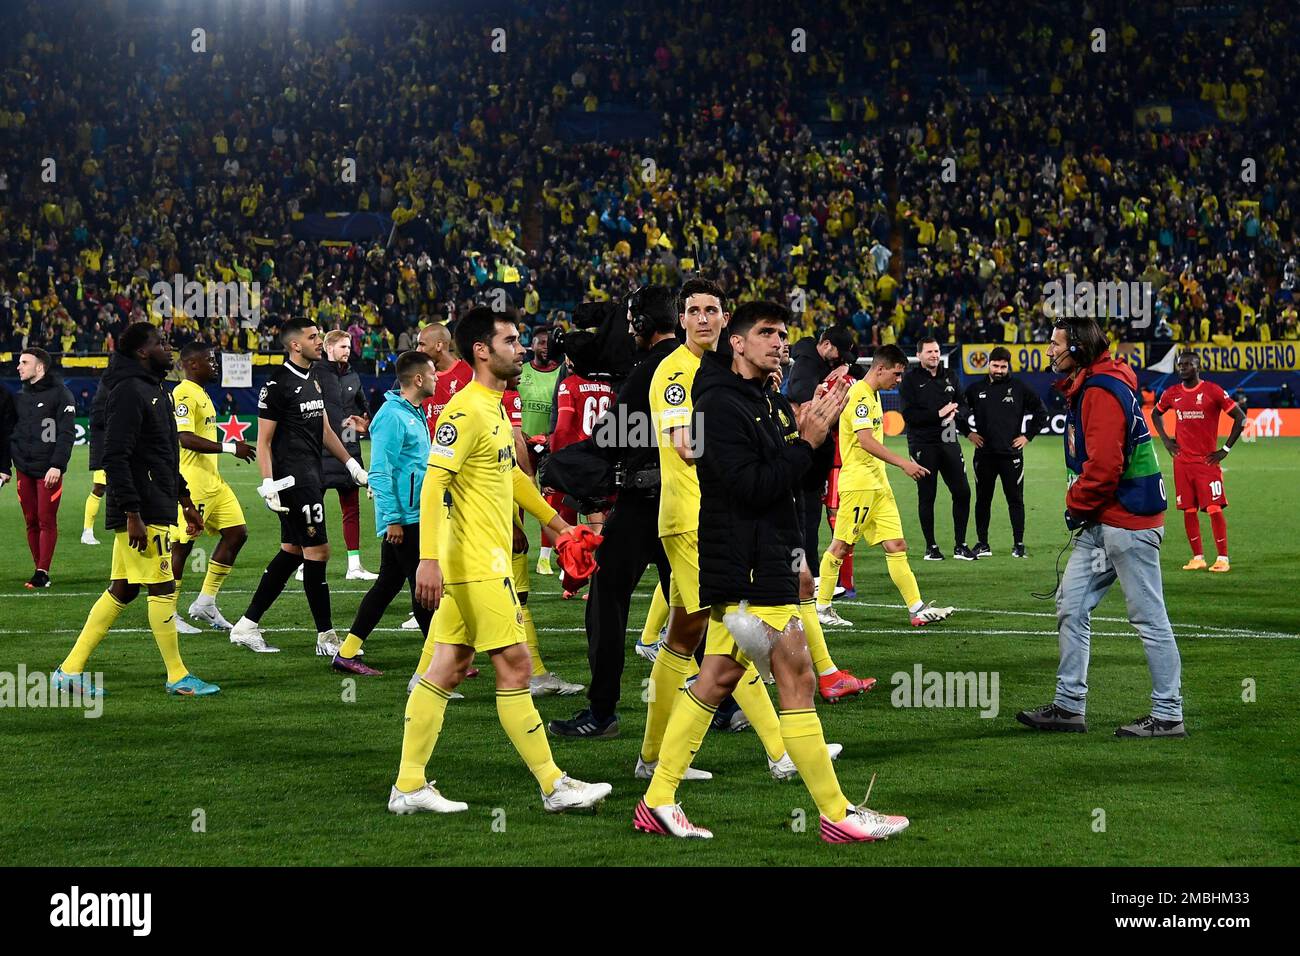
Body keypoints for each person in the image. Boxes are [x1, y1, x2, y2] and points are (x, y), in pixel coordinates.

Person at [634, 301, 907, 842]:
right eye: (766, 333)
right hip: (746, 565)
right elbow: (751, 487)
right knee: (798, 680)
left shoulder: (765, 399)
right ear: (737, 343)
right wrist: (804, 441)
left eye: (783, 333)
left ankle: (658, 799)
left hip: (764, 558)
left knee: (716, 677)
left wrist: (813, 437)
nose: (778, 341)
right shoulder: (715, 404)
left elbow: (790, 483)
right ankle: (837, 814)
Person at [389, 306, 611, 815]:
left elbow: (511, 477)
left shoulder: (492, 405)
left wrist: (560, 528)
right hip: (476, 564)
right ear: (482, 351)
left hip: (478, 562)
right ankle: (554, 786)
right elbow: (434, 482)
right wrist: (428, 560)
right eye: (511, 341)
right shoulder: (465, 410)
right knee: (515, 667)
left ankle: (408, 785)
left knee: (445, 669)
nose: (523, 348)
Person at [639, 277, 813, 783]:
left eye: (712, 309)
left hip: (714, 520)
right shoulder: (679, 372)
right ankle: (781, 751)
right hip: (696, 519)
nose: (704, 319)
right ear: (681, 320)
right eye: (693, 311)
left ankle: (653, 760)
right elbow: (687, 446)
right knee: (734, 637)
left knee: (689, 638)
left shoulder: (721, 373)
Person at [1016, 318, 1185, 738]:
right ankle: (1069, 706)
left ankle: (1169, 714)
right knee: (1071, 605)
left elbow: (1106, 466)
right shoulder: (1098, 382)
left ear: (1078, 347)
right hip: (1105, 519)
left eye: (1055, 344)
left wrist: (1075, 505)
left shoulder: (1099, 391)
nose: (1050, 351)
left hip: (1126, 519)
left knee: (1148, 617)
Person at [52, 322, 219, 697]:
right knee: (162, 585)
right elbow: (116, 455)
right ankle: (177, 675)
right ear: (143, 352)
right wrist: (131, 514)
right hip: (141, 509)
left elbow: (164, 455)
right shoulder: (129, 391)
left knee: (123, 590)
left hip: (154, 503)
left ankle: (69, 670)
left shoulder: (154, 388)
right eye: (160, 343)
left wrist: (185, 501)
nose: (168, 347)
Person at [550, 286, 678, 739]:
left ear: (644, 324)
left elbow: (611, 440)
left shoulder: (647, 371)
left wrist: (559, 467)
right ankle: (723, 705)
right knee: (694, 606)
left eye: (630, 320)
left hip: (645, 504)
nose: (627, 328)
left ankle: (601, 710)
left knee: (605, 596)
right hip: (688, 505)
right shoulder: (696, 365)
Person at [227, 318, 369, 655]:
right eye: (313, 336)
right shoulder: (277, 384)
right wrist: (268, 484)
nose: (319, 341)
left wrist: (351, 465)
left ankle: (246, 626)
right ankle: (326, 637)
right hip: (294, 481)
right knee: (318, 552)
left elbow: (324, 429)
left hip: (312, 473)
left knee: (292, 552)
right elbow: (263, 441)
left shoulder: (314, 379)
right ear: (294, 345)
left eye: (318, 335)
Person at [815, 345, 956, 628]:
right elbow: (865, 441)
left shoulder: (874, 395)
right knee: (840, 546)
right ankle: (822, 608)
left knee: (896, 545)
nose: (899, 379)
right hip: (860, 486)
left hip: (878, 485)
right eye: (897, 373)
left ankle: (916, 608)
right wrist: (904, 463)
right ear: (880, 368)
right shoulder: (859, 396)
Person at [330, 350, 439, 677]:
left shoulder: (412, 411)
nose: (437, 378)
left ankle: (346, 653)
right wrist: (391, 518)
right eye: (433, 373)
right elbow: (379, 471)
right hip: (405, 519)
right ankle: (439, 660)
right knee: (423, 591)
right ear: (418, 379)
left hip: (413, 513)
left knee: (387, 586)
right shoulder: (394, 415)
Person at [168, 343, 257, 631]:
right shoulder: (182, 393)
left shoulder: (201, 392)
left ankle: (205, 602)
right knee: (182, 544)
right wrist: (231, 448)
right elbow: (184, 437)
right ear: (192, 364)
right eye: (209, 360)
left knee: (237, 533)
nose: (214, 364)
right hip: (192, 482)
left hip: (213, 481)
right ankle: (168, 613)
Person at [1151, 350, 1246, 572]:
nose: (1182, 368)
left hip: (1206, 462)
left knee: (1214, 508)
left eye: (1187, 364)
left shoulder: (1212, 391)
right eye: (1179, 364)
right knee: (1189, 509)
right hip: (1182, 462)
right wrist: (1166, 441)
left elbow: (1240, 418)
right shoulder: (1172, 393)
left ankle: (1223, 558)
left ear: (1197, 366)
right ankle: (1198, 557)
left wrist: (1225, 449)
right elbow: (1156, 414)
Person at [786, 326, 858, 600]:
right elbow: (806, 405)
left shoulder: (826, 360)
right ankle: (809, 578)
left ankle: (812, 576)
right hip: (806, 452)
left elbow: (857, 367)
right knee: (807, 520)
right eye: (840, 354)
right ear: (826, 345)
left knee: (811, 518)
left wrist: (846, 366)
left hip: (816, 455)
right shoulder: (805, 366)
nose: (841, 360)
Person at [963, 345, 1049, 558]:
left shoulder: (1019, 388)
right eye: (995, 365)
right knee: (983, 500)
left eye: (1003, 366)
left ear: (1008, 366)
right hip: (984, 456)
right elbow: (959, 413)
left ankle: (1018, 544)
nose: (999, 370)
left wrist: (1027, 436)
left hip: (1011, 456)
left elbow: (1041, 412)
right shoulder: (975, 389)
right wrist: (968, 433)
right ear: (988, 364)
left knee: (1015, 500)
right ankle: (983, 544)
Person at [899, 337, 975, 561]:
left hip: (949, 440)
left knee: (962, 492)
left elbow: (962, 403)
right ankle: (931, 547)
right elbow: (909, 415)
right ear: (919, 355)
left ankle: (960, 545)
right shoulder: (910, 381)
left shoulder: (950, 376)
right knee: (927, 495)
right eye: (929, 351)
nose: (934, 355)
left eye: (936, 351)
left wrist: (956, 413)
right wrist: (938, 414)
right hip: (922, 444)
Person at [311, 330, 376, 581]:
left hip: (349, 447)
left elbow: (364, 409)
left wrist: (365, 422)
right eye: (341, 346)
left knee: (351, 509)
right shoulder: (315, 372)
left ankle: (354, 565)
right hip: (321, 448)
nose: (347, 350)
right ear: (328, 348)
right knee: (313, 508)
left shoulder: (353, 375)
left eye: (348, 346)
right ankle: (308, 560)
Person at [11, 347, 75, 588]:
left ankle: (42, 571)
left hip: (48, 469)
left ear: (40, 367)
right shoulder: (21, 396)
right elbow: (12, 432)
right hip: (24, 469)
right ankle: (39, 569)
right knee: (30, 520)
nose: (19, 366)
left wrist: (57, 465)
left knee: (46, 519)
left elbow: (67, 434)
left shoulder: (62, 395)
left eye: (24, 362)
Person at [516, 325, 564, 574]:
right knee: (518, 499)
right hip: (521, 444)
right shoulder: (520, 372)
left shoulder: (560, 374)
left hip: (548, 446)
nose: (545, 347)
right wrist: (519, 435)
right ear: (531, 345)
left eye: (549, 343)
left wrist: (549, 437)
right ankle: (517, 548)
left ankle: (545, 557)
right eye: (541, 342)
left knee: (551, 500)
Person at [81, 377, 109, 546]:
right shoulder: (106, 388)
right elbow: (98, 419)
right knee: (99, 487)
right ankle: (87, 531)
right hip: (107, 448)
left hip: (129, 446)